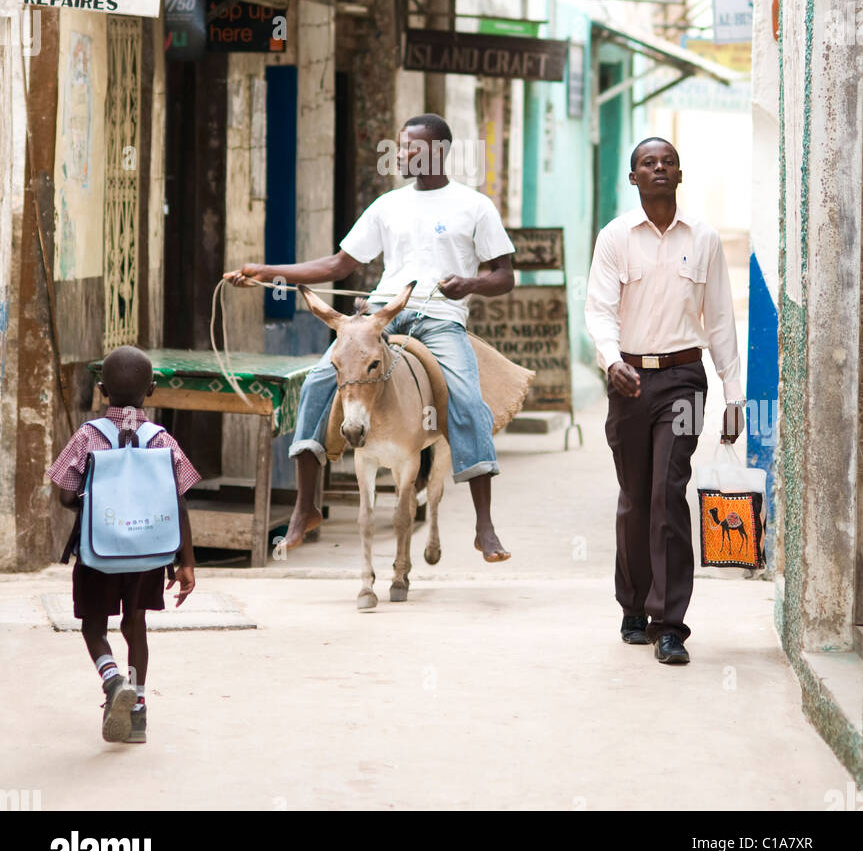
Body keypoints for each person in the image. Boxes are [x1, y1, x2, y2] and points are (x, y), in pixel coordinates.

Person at [225, 114, 515, 561]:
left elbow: (504, 276)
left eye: (410, 148)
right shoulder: (387, 205)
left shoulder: (474, 206)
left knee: (468, 398)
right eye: (399, 147)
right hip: (381, 317)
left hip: (439, 319)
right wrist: (269, 271)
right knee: (322, 378)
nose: (400, 154)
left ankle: (485, 526)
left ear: (438, 151)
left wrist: (471, 284)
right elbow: (338, 266)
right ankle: (306, 507)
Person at [584, 138, 745, 666]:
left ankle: (670, 624)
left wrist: (733, 394)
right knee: (634, 497)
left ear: (680, 174)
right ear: (633, 178)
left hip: (683, 380)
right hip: (627, 380)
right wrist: (612, 362)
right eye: (648, 163)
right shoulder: (614, 238)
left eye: (667, 161)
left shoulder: (703, 239)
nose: (658, 168)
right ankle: (633, 607)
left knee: (667, 494)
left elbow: (719, 318)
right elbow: (599, 310)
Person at [48, 346, 200, 743]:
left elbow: (64, 493)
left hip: (99, 554)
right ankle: (138, 715)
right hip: (148, 556)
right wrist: (187, 562)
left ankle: (112, 680)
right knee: (136, 626)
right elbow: (179, 501)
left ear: (102, 390)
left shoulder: (87, 435)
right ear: (151, 390)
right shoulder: (161, 439)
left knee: (94, 626)